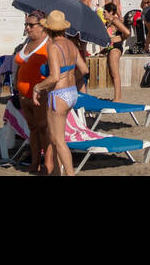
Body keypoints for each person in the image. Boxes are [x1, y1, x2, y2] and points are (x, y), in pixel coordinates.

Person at [31, 10, 88, 176]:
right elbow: (84, 69)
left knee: (58, 140)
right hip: (71, 93)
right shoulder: (71, 44)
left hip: (59, 94)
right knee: (53, 136)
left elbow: (54, 76)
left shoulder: (53, 47)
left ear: (48, 29)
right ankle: (56, 172)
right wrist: (71, 78)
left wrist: (37, 87)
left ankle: (70, 174)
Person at [14, 13, 50, 172]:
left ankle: (48, 164)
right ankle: (35, 162)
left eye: (31, 25)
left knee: (43, 129)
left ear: (42, 26)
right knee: (33, 129)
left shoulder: (50, 44)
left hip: (40, 94)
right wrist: (16, 82)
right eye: (26, 24)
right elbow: (21, 64)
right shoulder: (28, 42)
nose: (27, 28)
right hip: (23, 93)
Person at [102, 2, 130, 101]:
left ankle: (118, 97)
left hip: (116, 48)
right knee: (112, 73)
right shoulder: (108, 22)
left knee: (115, 73)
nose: (103, 14)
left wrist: (120, 38)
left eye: (104, 12)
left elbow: (127, 32)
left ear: (111, 12)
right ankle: (117, 96)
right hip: (111, 48)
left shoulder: (115, 20)